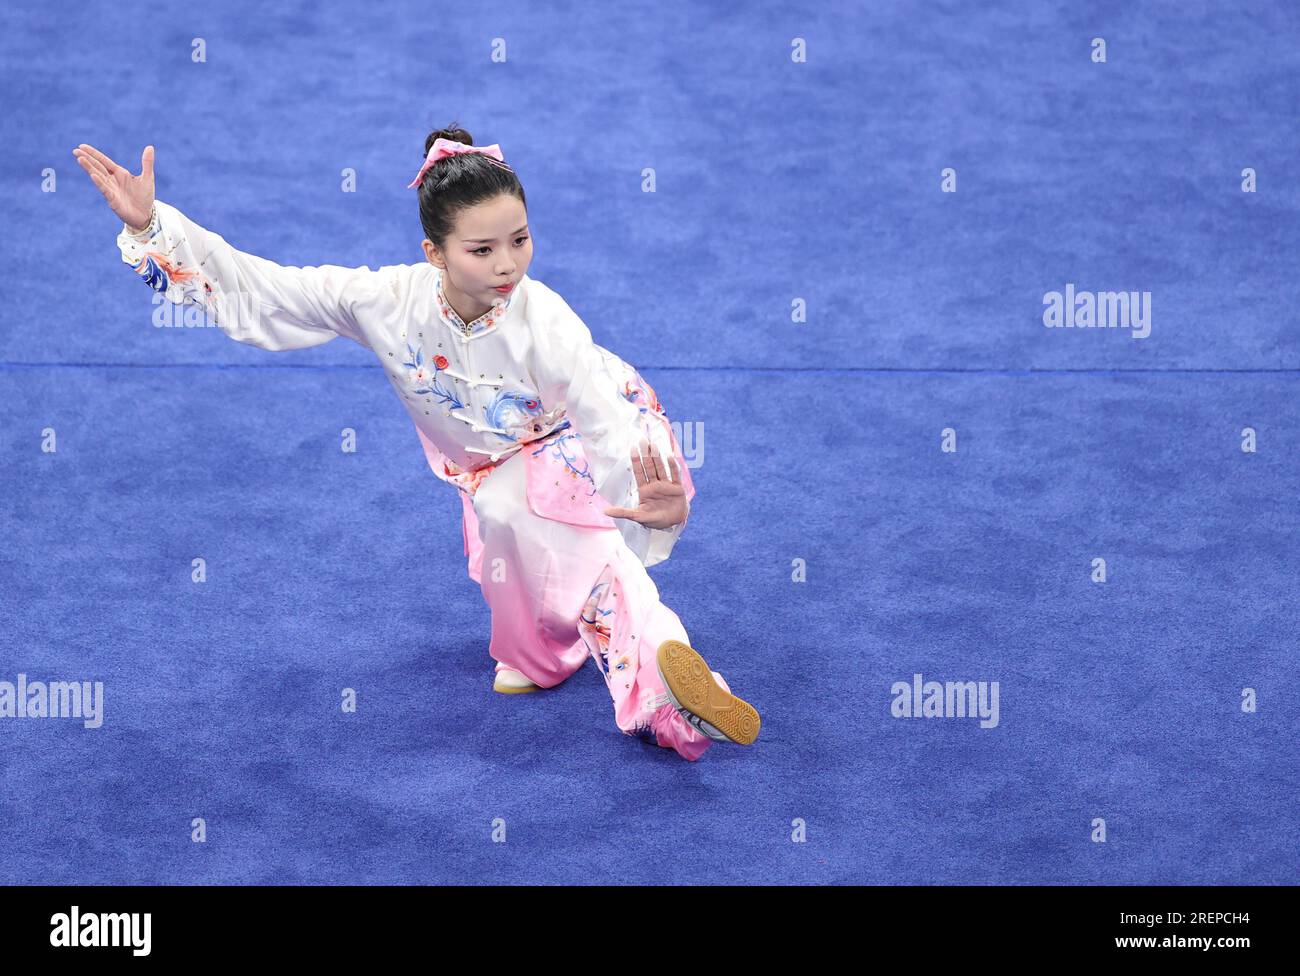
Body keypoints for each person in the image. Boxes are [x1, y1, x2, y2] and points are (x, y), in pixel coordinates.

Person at [72, 125, 761, 760]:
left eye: (520, 240)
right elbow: (265, 288)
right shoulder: (383, 301)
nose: (507, 263)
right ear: (434, 252)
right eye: (482, 248)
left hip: (571, 434)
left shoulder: (546, 321)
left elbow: (604, 419)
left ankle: (670, 692)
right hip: (483, 466)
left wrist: (646, 502)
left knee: (590, 546)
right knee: (503, 528)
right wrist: (153, 225)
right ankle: (544, 653)